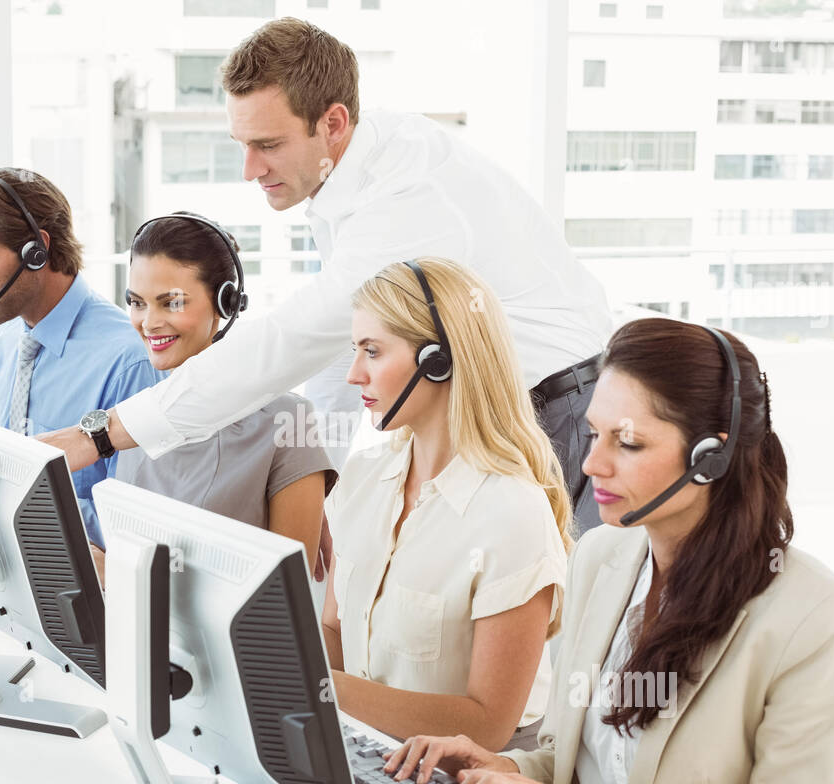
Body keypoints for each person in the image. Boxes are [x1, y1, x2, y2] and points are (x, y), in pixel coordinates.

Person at [37, 17, 613, 563]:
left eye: (267, 144)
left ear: (332, 123)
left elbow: (290, 341)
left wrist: (104, 434)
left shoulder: (404, 200)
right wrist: (324, 491)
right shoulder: (345, 171)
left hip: (555, 409)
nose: (249, 168)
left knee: (556, 627)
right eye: (242, 142)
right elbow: (343, 347)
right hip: (494, 407)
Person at [382, 318, 834, 784]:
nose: (592, 465)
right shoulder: (599, 558)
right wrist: (502, 769)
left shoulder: (815, 621)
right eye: (593, 434)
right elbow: (571, 762)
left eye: (629, 442)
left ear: (710, 458)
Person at [322, 258, 573, 754]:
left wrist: (320, 688)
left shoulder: (510, 513)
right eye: (356, 351)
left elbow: (487, 725)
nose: (354, 374)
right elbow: (333, 628)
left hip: (469, 780)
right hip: (364, 753)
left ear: (439, 361)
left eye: (372, 351)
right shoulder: (362, 478)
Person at [105, 212, 333, 574]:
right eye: (137, 302)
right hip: (134, 624)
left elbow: (290, 598)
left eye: (172, 303)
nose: (148, 322)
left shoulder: (289, 421)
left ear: (225, 305)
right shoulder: (135, 410)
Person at [0, 167, 162, 549]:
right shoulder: (7, 339)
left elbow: (137, 526)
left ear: (37, 252)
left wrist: (19, 508)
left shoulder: (128, 361)